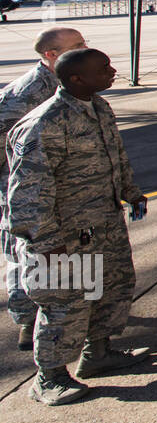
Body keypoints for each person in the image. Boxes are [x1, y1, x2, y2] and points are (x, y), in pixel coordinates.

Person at [7, 48, 148, 405]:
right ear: (76, 79)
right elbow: (27, 193)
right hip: (62, 236)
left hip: (102, 224)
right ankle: (49, 377)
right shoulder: (44, 125)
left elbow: (115, 154)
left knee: (110, 290)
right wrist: (45, 242)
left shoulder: (99, 107)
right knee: (63, 306)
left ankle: (97, 355)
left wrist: (130, 192)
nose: (113, 71)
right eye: (104, 68)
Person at [1, 27, 85, 351]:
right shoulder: (24, 95)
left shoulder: (71, 80)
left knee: (71, 266)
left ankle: (79, 327)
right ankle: (27, 321)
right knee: (26, 260)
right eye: (77, 45)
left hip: (65, 194)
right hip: (28, 193)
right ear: (51, 54)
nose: (85, 48)